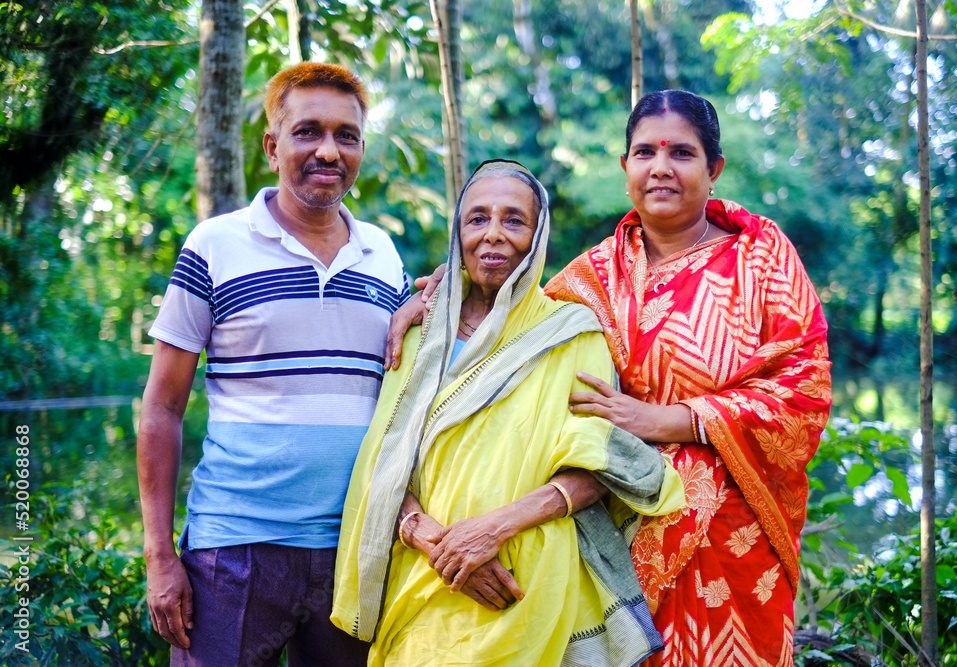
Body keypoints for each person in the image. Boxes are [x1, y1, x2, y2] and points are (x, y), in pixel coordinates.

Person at [331, 159, 686, 667]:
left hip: (525, 587)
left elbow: (600, 466)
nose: (493, 235)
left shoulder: (571, 332)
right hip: (424, 580)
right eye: (477, 219)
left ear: (537, 236)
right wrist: (437, 543)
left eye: (513, 220)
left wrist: (490, 532)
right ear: (458, 232)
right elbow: (381, 459)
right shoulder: (413, 336)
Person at [544, 90, 833, 666]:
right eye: (644, 151)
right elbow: (522, 346)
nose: (660, 167)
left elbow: (804, 389)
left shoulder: (760, 258)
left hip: (735, 531)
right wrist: (444, 299)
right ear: (625, 166)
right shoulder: (591, 275)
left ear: (713, 169)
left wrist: (671, 421)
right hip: (621, 519)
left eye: (681, 152)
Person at [137, 62, 409, 666]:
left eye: (346, 135)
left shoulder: (384, 255)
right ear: (272, 145)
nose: (328, 150)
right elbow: (161, 407)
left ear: (362, 147)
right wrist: (160, 556)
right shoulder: (215, 244)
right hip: (233, 553)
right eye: (307, 131)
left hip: (354, 550)